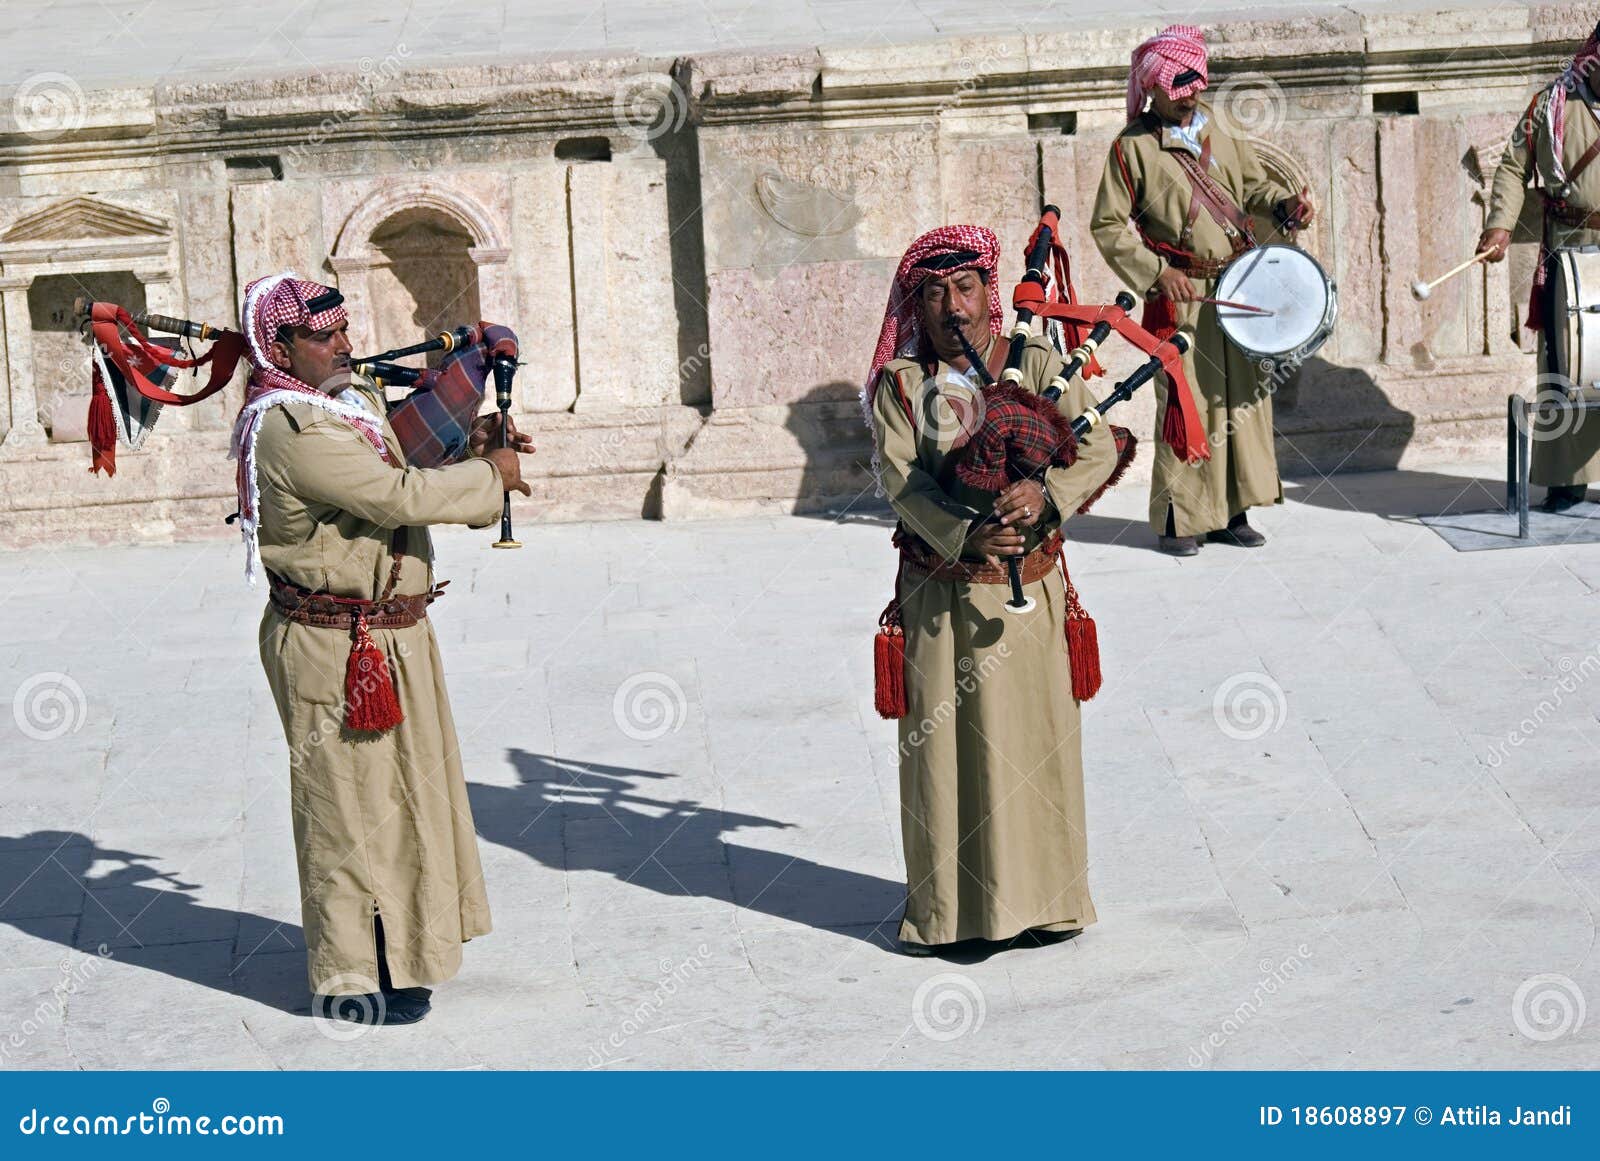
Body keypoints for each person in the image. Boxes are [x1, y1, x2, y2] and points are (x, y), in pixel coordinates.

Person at [229, 274, 532, 1025]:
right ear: (281, 346)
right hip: (334, 646)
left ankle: (405, 955)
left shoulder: (341, 401)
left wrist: (475, 443)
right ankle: (347, 973)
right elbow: (395, 496)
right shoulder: (286, 425)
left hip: (393, 633)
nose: (344, 343)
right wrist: (489, 479)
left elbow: (403, 454)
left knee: (407, 803)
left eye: (343, 330)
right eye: (324, 335)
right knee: (346, 809)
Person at [866, 225, 1131, 954]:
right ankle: (954, 916)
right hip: (945, 600)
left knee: (1035, 751)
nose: (953, 306)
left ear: (989, 291)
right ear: (916, 309)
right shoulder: (906, 387)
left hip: (1031, 597)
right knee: (952, 757)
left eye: (965, 287)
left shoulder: (1039, 361)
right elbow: (901, 480)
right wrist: (964, 531)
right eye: (933, 294)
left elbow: (1098, 443)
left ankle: (1048, 903)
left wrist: (1045, 495)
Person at [1091, 23, 1314, 555]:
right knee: (1185, 405)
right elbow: (1107, 225)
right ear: (1153, 88)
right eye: (1178, 86)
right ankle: (1179, 520)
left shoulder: (1217, 125)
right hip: (1180, 296)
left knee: (1238, 399)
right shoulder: (1131, 149)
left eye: (1195, 83)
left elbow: (1253, 185)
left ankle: (1232, 512)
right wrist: (1154, 272)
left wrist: (1283, 203)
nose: (1190, 94)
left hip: (1236, 285)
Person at [1481, 21, 1600, 512]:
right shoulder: (1552, 104)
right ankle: (1565, 479)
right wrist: (1500, 225)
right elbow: (1513, 165)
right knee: (1566, 365)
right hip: (1569, 245)